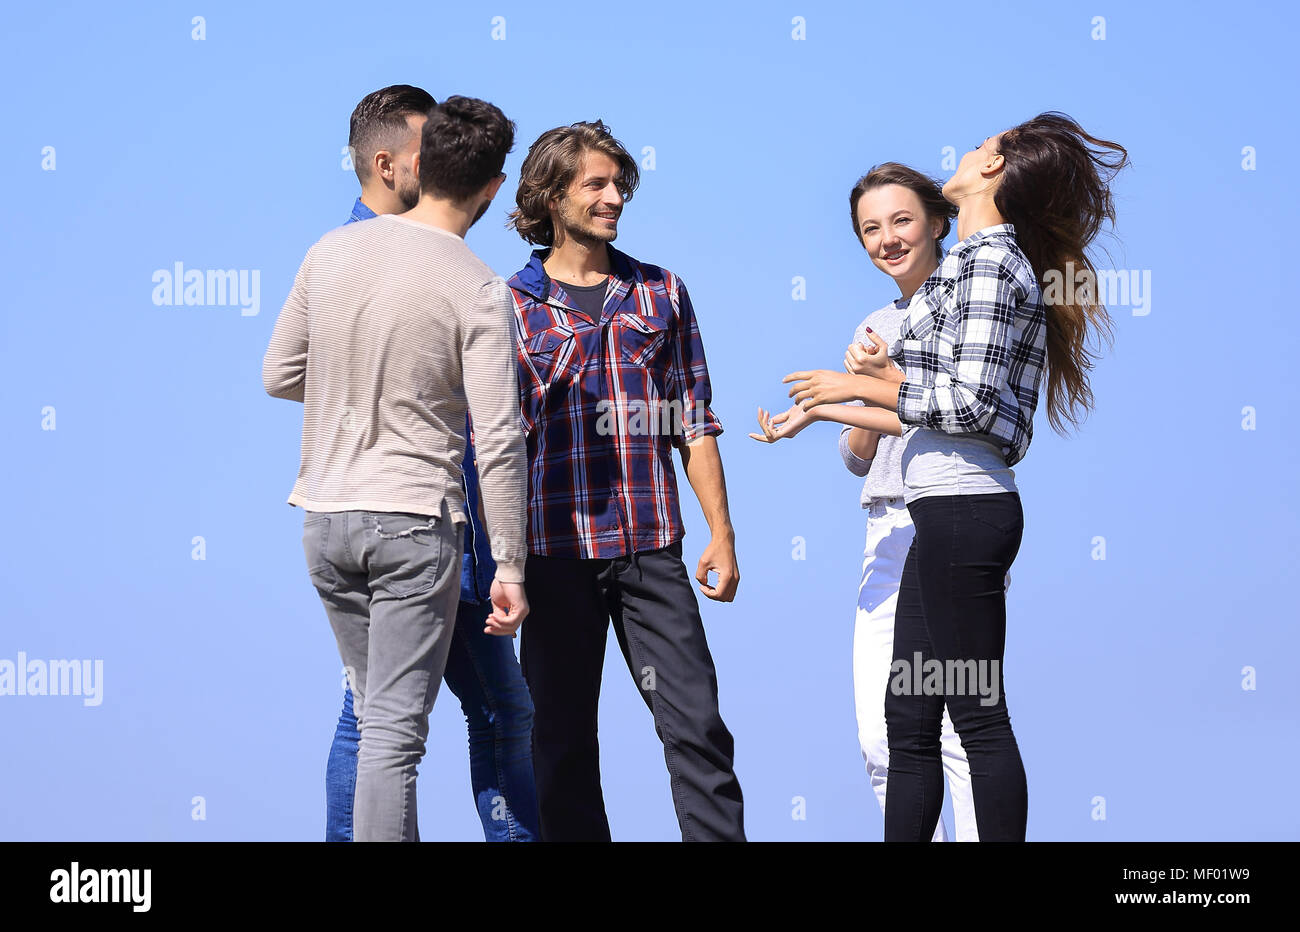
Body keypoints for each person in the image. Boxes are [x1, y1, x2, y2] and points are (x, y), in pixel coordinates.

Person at [782, 113, 1127, 841]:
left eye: (981, 148)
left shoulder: (989, 264)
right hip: (937, 511)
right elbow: (923, 381)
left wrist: (853, 387)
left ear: (994, 171)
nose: (967, 151)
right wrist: (851, 391)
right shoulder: (972, 262)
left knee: (974, 713)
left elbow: (966, 403)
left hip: (966, 510)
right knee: (907, 718)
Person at [263, 95, 530, 842]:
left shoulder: (329, 251)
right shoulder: (478, 284)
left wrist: (359, 381)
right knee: (393, 736)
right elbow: (501, 437)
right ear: (492, 188)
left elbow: (279, 373)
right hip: (413, 524)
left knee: (372, 712)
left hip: (324, 521)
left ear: (422, 163)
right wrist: (509, 563)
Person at [504, 120, 745, 842]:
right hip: (551, 554)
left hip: (650, 549)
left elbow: (694, 422)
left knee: (697, 725)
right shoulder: (505, 306)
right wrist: (500, 563)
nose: (613, 198)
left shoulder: (661, 293)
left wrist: (722, 535)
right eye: (596, 185)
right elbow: (491, 444)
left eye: (619, 185)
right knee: (562, 743)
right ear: (550, 196)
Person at [750, 163, 982, 841]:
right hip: (885, 530)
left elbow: (950, 416)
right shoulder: (877, 320)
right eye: (870, 229)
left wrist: (854, 395)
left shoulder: (963, 303)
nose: (887, 239)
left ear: (939, 221)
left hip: (945, 520)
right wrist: (841, 405)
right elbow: (861, 458)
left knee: (951, 732)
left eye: (901, 220)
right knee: (881, 736)